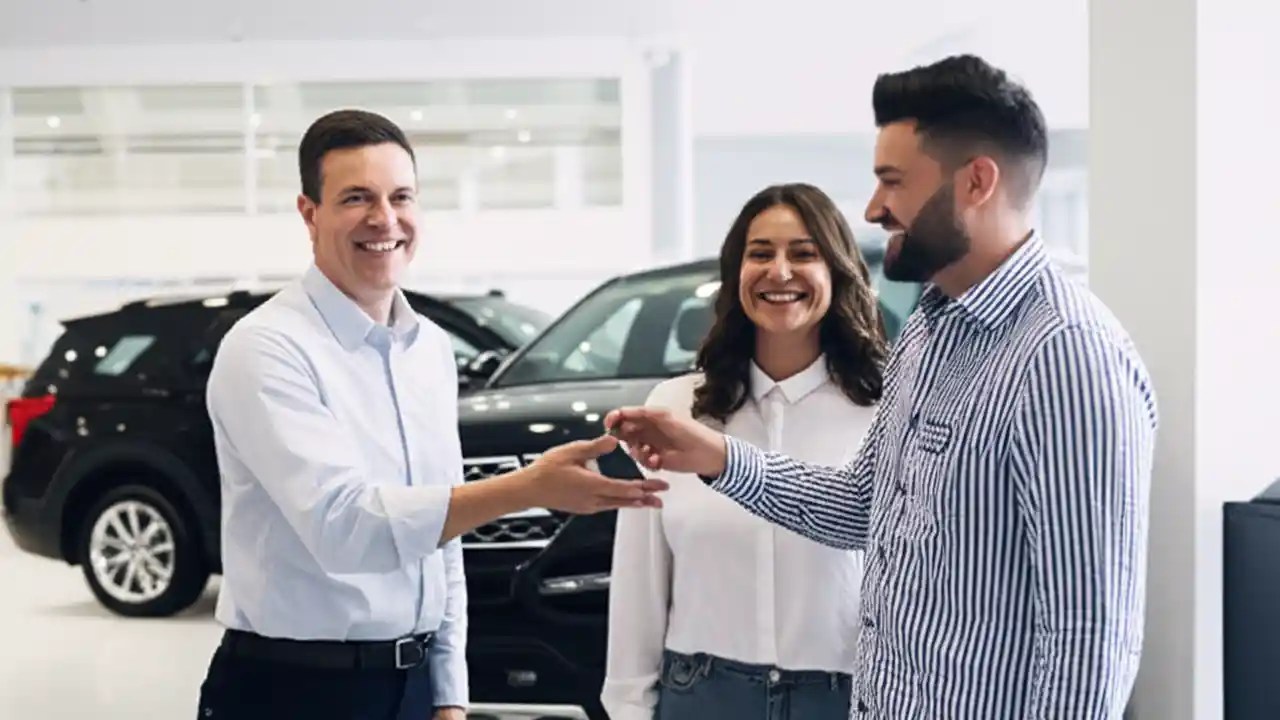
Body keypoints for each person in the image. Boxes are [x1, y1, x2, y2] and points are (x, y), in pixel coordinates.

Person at [606, 54, 1159, 719]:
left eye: (892, 182)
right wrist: (720, 458)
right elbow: (859, 506)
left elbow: (1087, 638)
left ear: (976, 182)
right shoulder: (930, 329)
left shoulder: (1066, 357)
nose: (873, 208)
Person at [195, 109, 667, 720]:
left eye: (401, 197)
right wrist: (528, 487)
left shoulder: (429, 350)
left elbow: (440, 541)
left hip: (411, 689)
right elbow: (346, 528)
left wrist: (447, 694)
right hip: (293, 688)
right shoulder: (267, 348)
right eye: (356, 198)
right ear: (309, 214)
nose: (384, 219)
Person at [601, 183, 888, 720]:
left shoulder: (883, 410)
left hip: (844, 699)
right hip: (702, 696)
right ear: (736, 274)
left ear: (838, 271)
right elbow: (639, 582)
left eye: (804, 253)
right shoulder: (676, 408)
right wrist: (628, 707)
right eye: (761, 254)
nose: (780, 272)